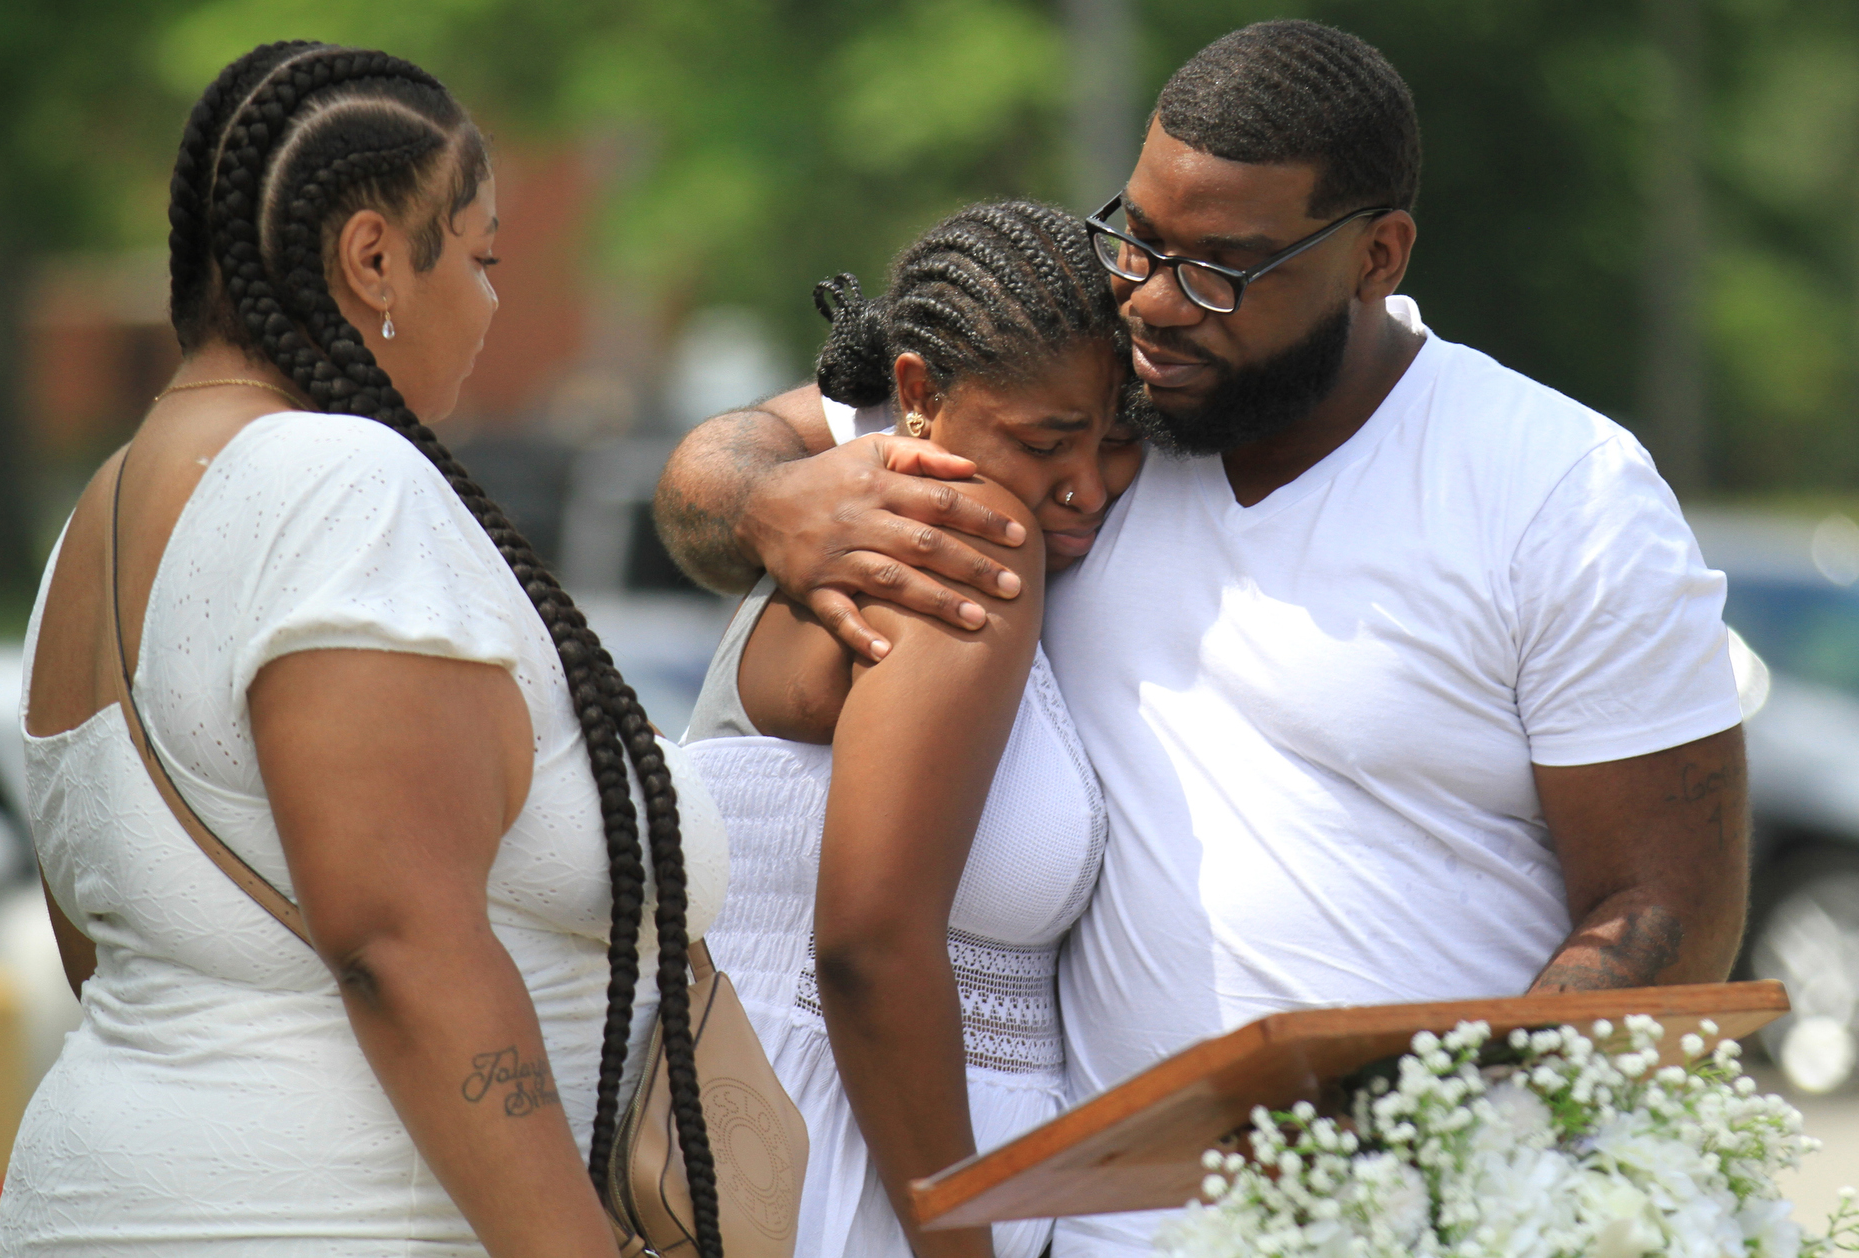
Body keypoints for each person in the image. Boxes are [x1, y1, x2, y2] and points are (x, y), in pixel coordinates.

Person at [652, 21, 1750, 1257]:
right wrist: (769, 502)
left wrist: (1444, 1160)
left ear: (1374, 256)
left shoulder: (1555, 488)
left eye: (1223, 266)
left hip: (1410, 1226)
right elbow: (719, 461)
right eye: (1142, 238)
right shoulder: (1082, 408)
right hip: (1079, 1230)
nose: (1159, 301)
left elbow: (1666, 908)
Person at [0, 44, 726, 1257]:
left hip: (103, 1198)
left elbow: (104, 939)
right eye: (484, 257)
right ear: (375, 257)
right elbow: (403, 948)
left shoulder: (104, 514)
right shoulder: (341, 479)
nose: (494, 305)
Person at [682, 201, 1139, 1258]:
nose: (1082, 484)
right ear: (920, 392)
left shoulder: (869, 500)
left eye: (1116, 439)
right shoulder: (959, 543)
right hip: (854, 1185)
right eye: (1043, 441)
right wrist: (959, 1241)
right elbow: (870, 946)